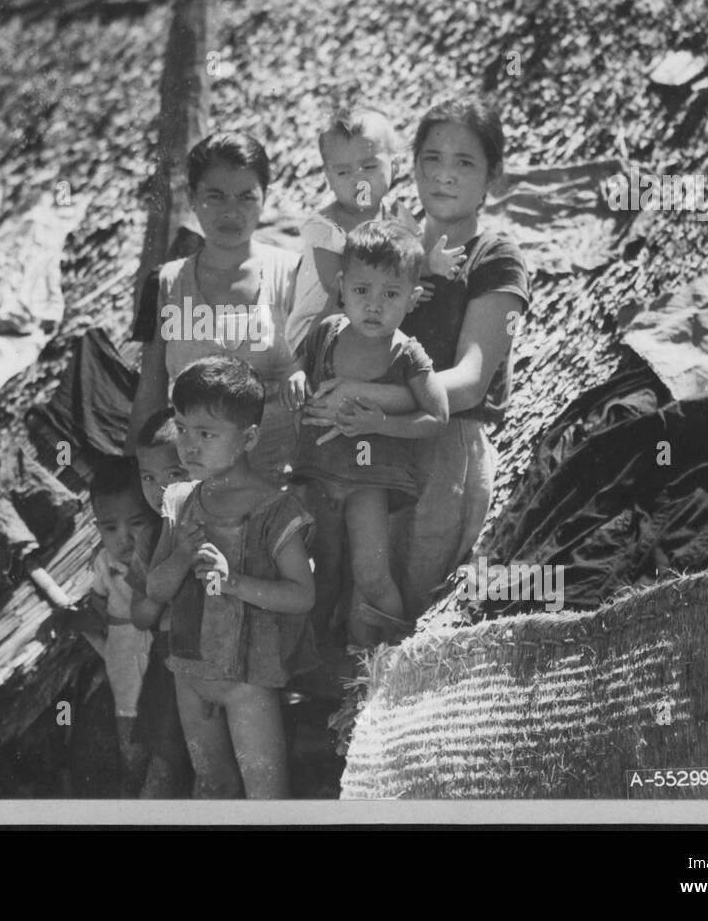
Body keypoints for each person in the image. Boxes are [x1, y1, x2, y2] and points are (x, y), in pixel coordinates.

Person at [303, 98, 531, 617]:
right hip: (366, 438)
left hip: (442, 444)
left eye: (465, 162)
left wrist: (365, 394)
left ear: (493, 177)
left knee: (406, 602)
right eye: (432, 158)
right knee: (350, 587)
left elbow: (472, 381)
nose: (444, 175)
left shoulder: (495, 259)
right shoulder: (389, 248)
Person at [146, 356, 316, 799]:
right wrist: (182, 555)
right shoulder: (181, 501)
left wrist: (235, 581)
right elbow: (156, 590)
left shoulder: (273, 510)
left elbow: (302, 596)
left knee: (266, 796)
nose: (189, 446)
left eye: (206, 434)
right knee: (211, 783)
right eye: (182, 428)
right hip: (190, 675)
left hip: (248, 684)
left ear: (249, 438)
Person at [284, 221, 449, 646]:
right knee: (323, 568)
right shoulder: (327, 333)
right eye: (362, 291)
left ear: (412, 299)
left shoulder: (407, 355)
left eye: (390, 295)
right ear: (341, 287)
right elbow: (299, 365)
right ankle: (324, 665)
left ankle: (397, 655)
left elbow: (439, 416)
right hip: (320, 472)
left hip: (367, 481)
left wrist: (381, 424)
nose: (374, 306)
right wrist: (296, 379)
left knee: (372, 575)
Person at [128, 132, 303, 482]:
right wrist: (136, 475)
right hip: (196, 480)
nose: (231, 211)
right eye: (215, 196)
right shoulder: (166, 285)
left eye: (246, 197)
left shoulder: (294, 275)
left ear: (264, 198)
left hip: (282, 475)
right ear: (192, 198)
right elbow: (149, 393)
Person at [284, 108, 461, 352]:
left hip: (373, 316)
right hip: (322, 327)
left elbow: (412, 256)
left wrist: (429, 265)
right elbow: (339, 288)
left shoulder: (397, 215)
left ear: (395, 167)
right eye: (343, 172)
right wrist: (409, 280)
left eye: (368, 167)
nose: (358, 180)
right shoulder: (325, 227)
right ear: (329, 178)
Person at [124, 408, 201, 798]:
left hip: (212, 661)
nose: (160, 490)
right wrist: (160, 593)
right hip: (167, 662)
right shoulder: (150, 538)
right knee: (158, 761)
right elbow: (139, 614)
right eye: (148, 478)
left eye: (174, 475)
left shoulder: (218, 526)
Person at [84, 464, 158, 796]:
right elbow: (97, 606)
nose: (124, 538)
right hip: (125, 669)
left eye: (137, 524)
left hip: (162, 667)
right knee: (130, 741)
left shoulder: (162, 561)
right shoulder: (103, 564)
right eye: (110, 528)